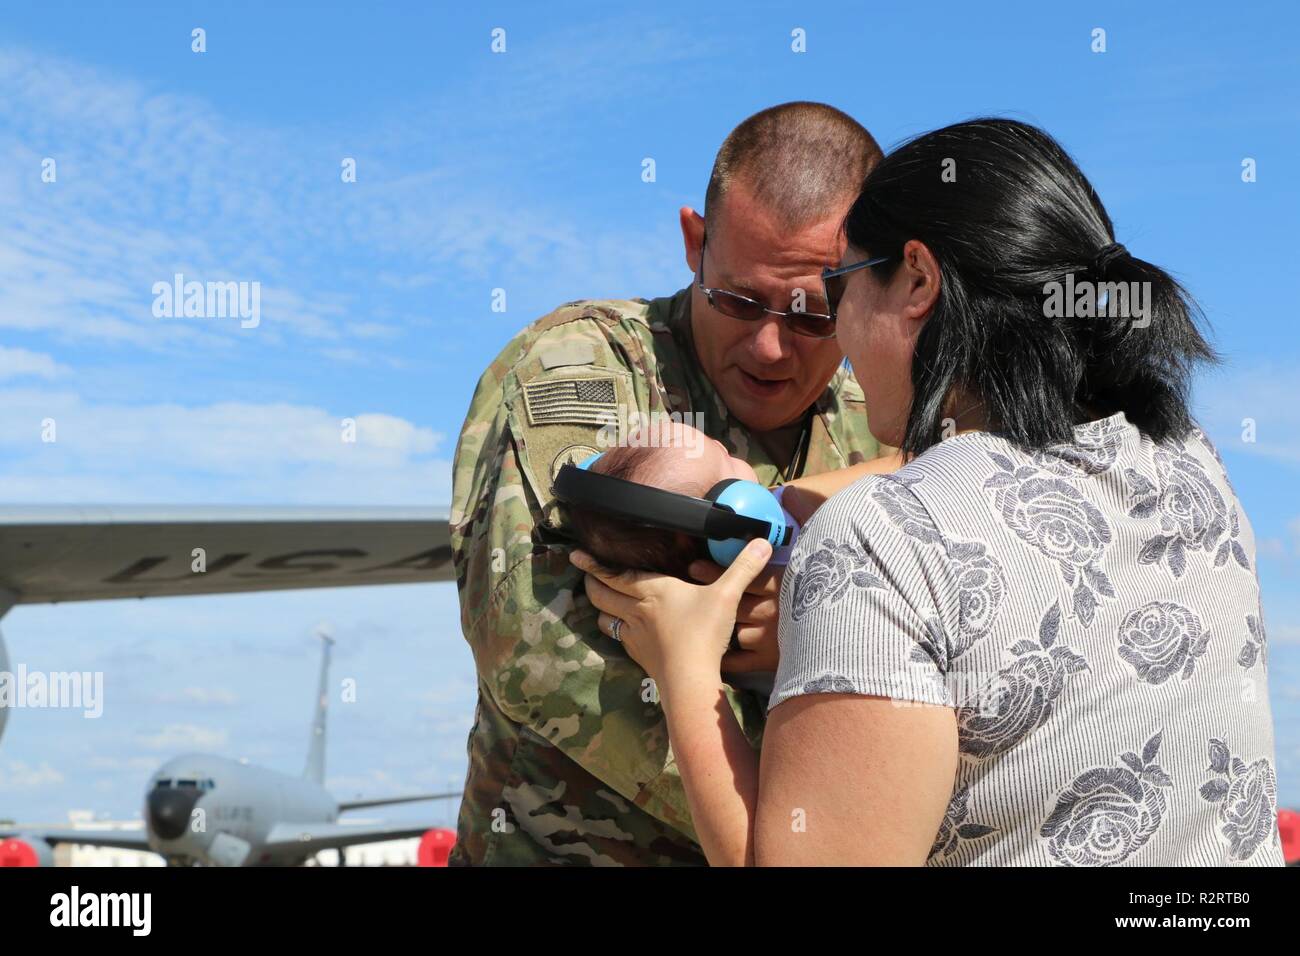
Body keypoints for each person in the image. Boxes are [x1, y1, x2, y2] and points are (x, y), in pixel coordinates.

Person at [576, 118, 1285, 866]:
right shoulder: (1193, 464)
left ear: (916, 280)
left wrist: (685, 674)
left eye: (837, 289)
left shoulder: (881, 538)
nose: (836, 334)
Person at [448, 102, 900, 865]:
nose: (768, 348)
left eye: (811, 315)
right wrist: (810, 825)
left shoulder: (883, 422)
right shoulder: (581, 368)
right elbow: (538, 641)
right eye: (739, 299)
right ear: (695, 242)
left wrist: (809, 623)